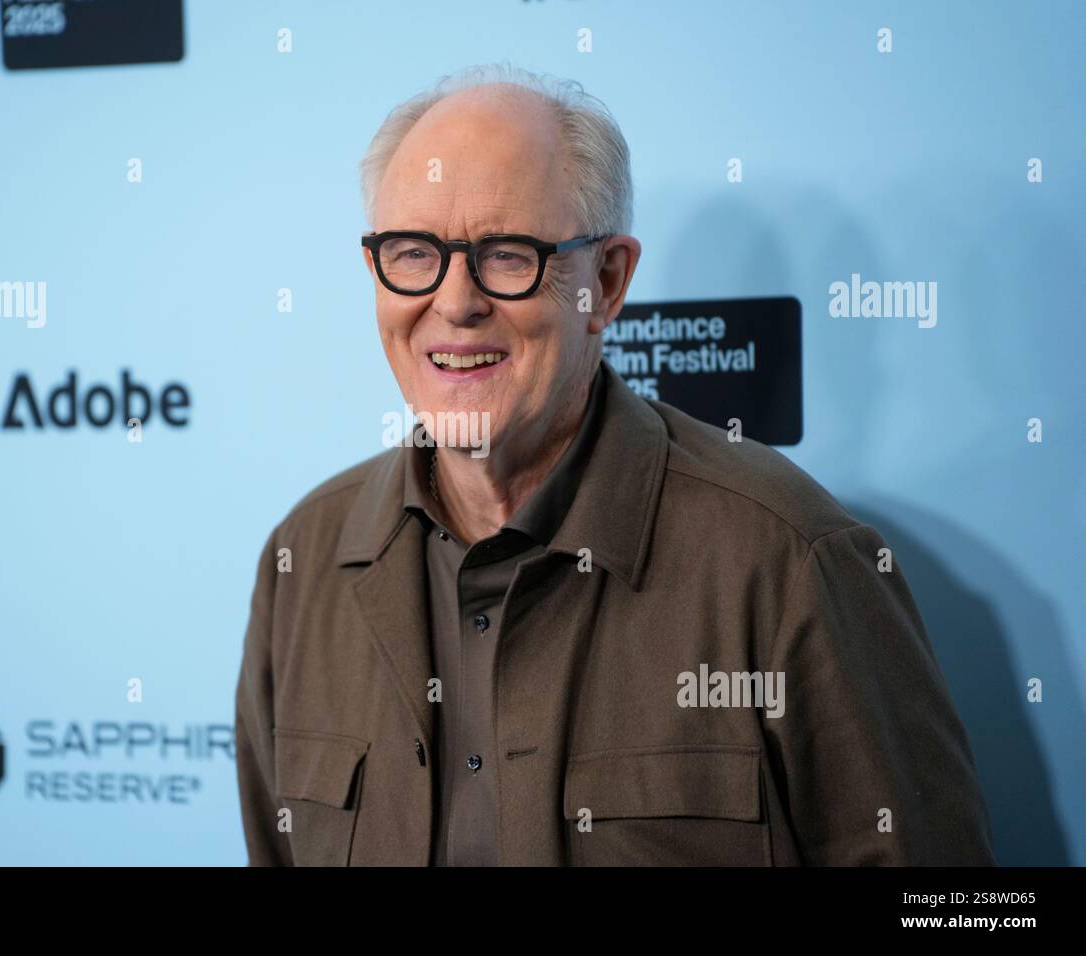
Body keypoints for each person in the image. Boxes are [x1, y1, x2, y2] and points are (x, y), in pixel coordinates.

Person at [234, 63, 995, 866]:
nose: (454, 303)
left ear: (607, 281)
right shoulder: (303, 561)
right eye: (415, 253)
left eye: (505, 254)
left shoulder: (786, 561)